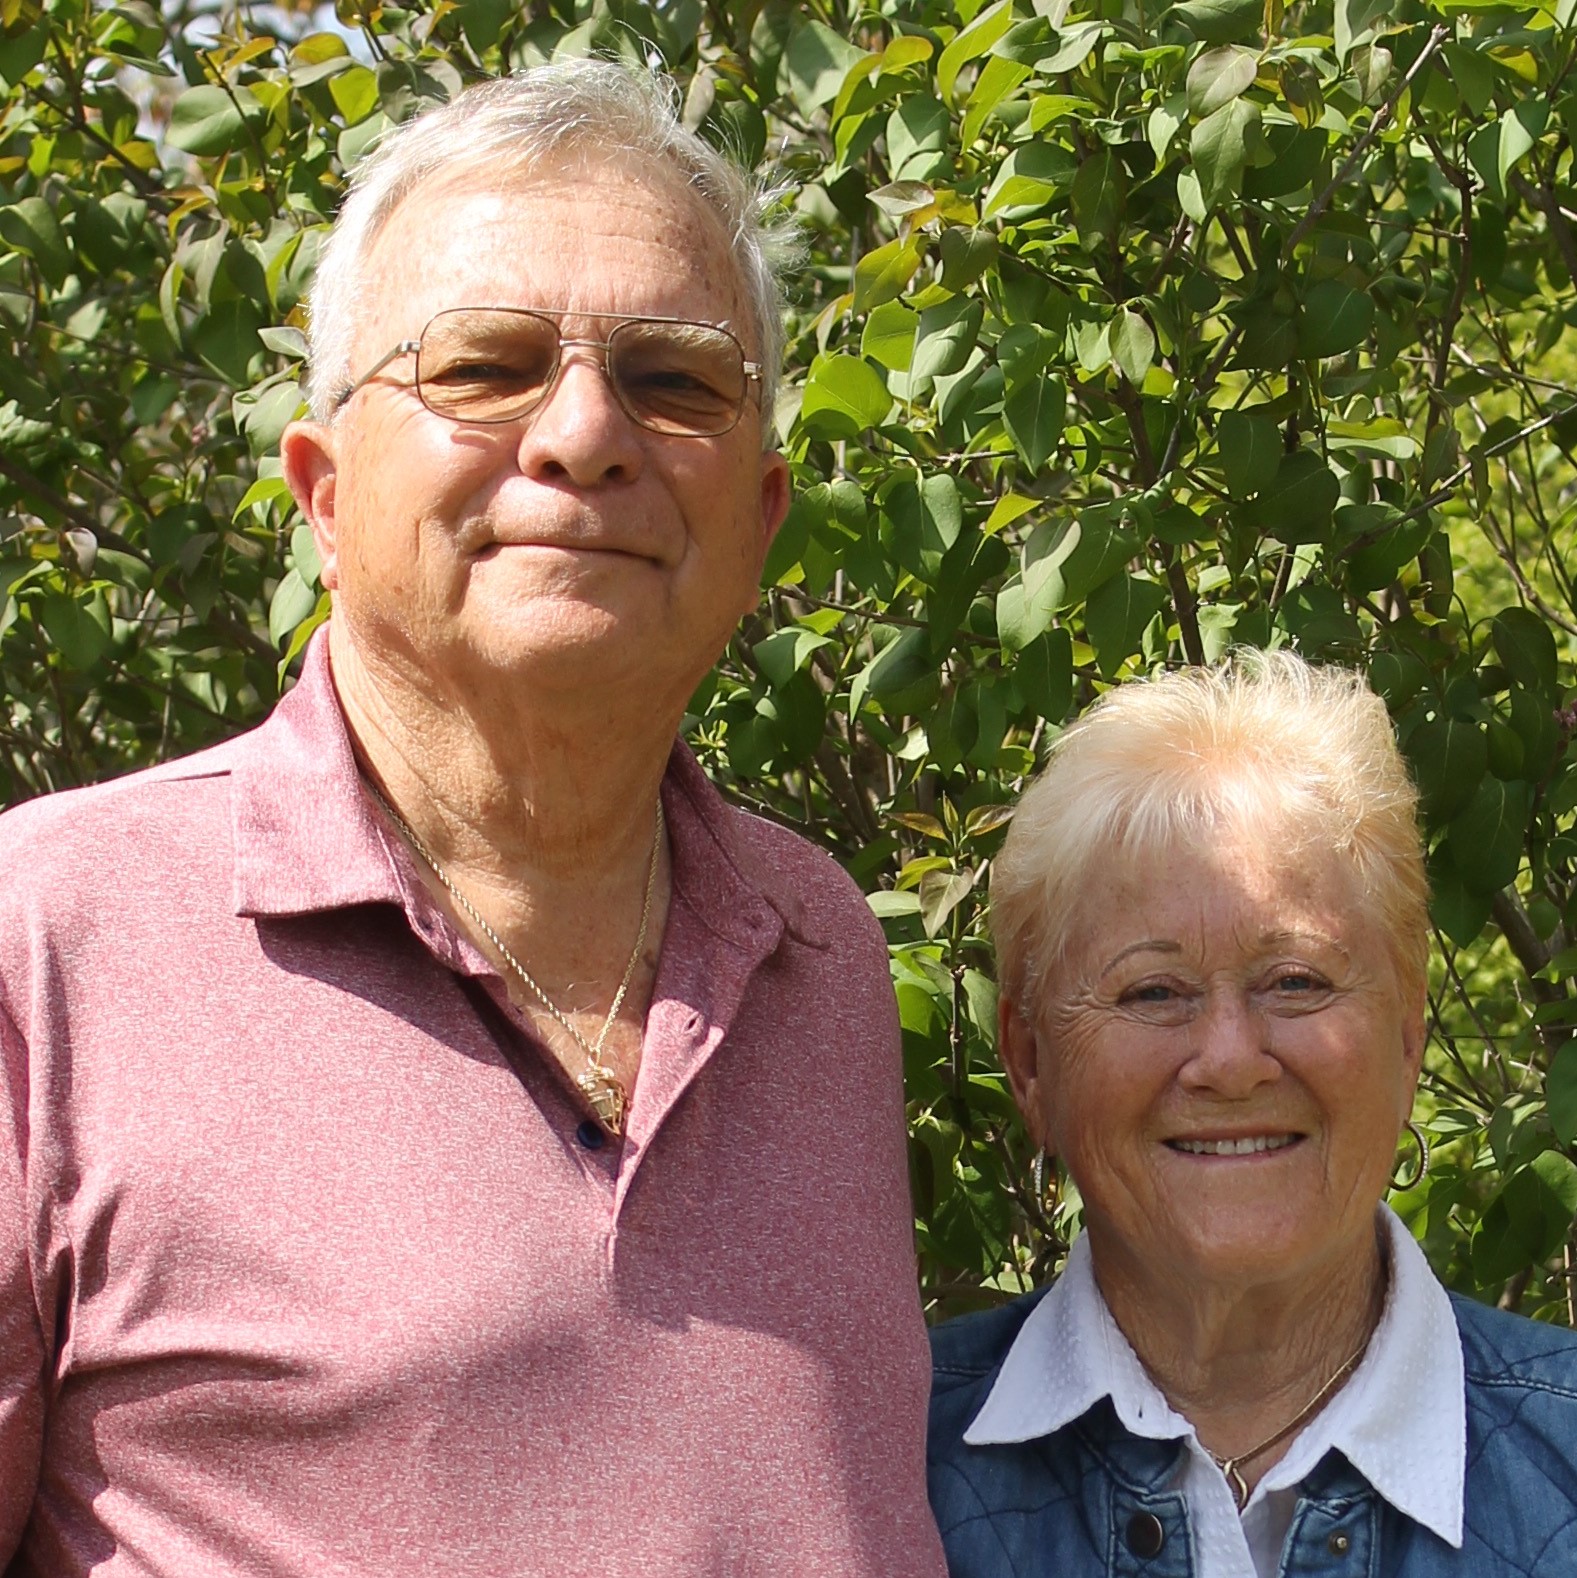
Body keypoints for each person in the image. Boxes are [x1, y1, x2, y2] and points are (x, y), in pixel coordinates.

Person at [0, 63, 947, 1577]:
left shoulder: (816, 948)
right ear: (320, 491)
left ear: (762, 517)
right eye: (485, 364)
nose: (584, 433)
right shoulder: (51, 935)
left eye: (675, 378)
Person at [927, 653, 1577, 1576]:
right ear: (1029, 1061)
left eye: (1296, 981)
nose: (1230, 1060)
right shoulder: (875, 1475)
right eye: (1152, 991)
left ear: (1404, 1032)